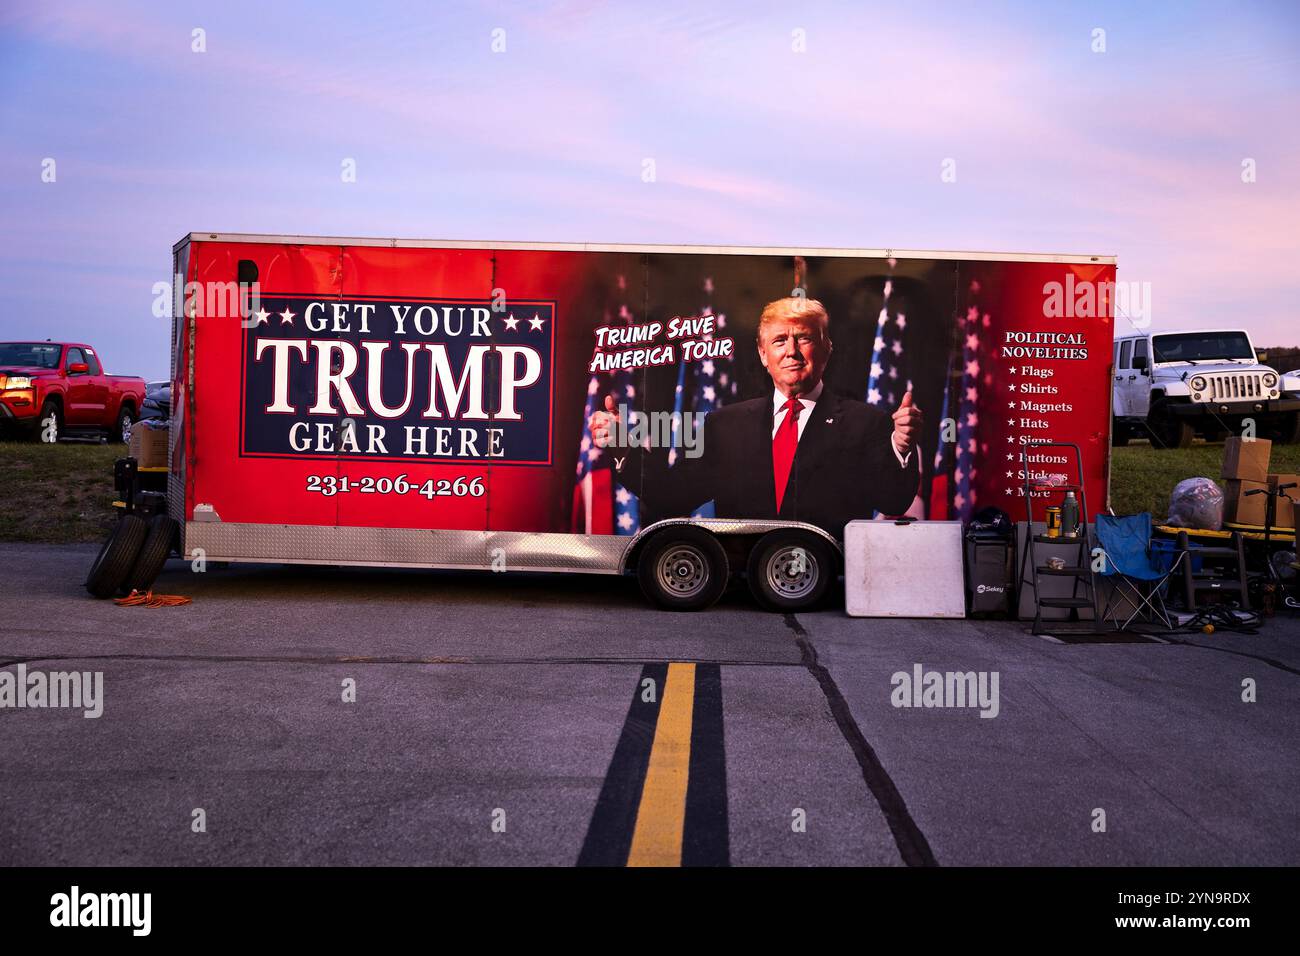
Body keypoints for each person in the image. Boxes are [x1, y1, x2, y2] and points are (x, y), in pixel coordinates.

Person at [590, 296, 922, 538]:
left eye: (804, 338)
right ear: (764, 355)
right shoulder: (724, 426)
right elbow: (671, 496)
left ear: (826, 349)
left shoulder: (866, 423)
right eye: (779, 341)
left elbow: (892, 500)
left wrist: (902, 448)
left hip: (826, 578)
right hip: (745, 577)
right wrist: (624, 450)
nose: (791, 351)